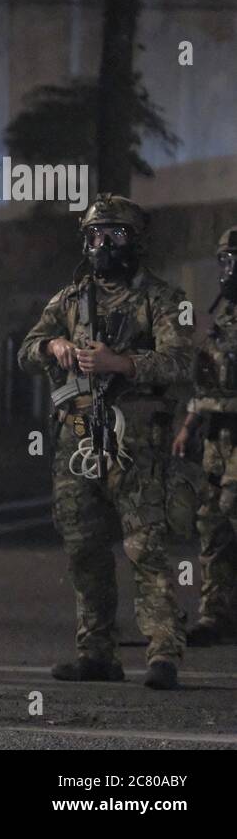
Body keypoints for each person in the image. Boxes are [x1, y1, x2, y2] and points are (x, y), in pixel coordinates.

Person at [17, 194, 189, 690]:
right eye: (94, 235)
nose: (103, 245)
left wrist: (122, 363)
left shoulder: (163, 298)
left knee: (146, 547)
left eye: (114, 235)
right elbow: (28, 350)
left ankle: (163, 653)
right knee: (82, 547)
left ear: (135, 241)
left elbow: (181, 363)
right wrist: (55, 345)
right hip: (77, 439)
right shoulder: (71, 300)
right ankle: (96, 651)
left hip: (134, 441)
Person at [170, 225, 237, 646]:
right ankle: (216, 613)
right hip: (218, 440)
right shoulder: (223, 319)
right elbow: (208, 383)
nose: (230, 270)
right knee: (212, 524)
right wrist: (189, 425)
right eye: (227, 261)